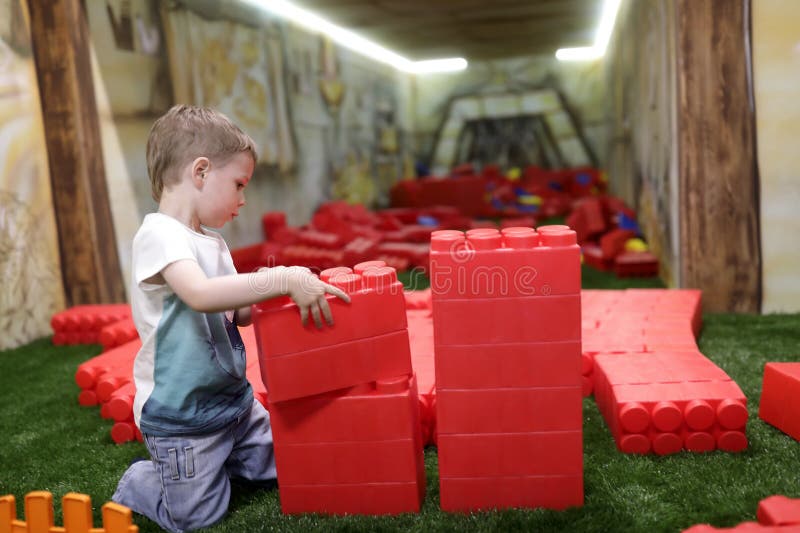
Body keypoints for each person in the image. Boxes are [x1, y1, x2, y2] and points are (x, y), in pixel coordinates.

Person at [111, 104, 350, 532]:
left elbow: (237, 312)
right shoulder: (158, 235)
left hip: (234, 404)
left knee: (291, 465)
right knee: (198, 517)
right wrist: (278, 277)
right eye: (239, 184)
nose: (243, 199)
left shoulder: (214, 243)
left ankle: (225, 461)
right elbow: (201, 295)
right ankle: (142, 481)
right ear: (200, 172)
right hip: (182, 418)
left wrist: (285, 294)